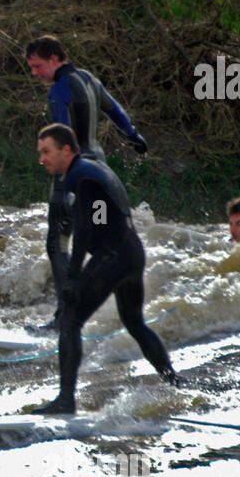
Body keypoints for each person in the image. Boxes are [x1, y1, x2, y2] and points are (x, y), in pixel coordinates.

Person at [30, 124, 180, 414]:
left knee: (71, 320)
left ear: (66, 150)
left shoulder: (81, 177)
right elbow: (98, 216)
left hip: (113, 256)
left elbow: (88, 225)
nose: (42, 159)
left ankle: (65, 400)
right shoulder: (91, 169)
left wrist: (73, 274)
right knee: (134, 322)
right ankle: (172, 379)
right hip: (132, 253)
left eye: (46, 152)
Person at [27, 35, 149, 328]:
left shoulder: (59, 90)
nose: (35, 73)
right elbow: (116, 111)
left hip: (74, 175)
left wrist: (60, 181)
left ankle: (63, 318)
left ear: (54, 58)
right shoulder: (90, 80)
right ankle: (124, 310)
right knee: (101, 240)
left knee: (58, 242)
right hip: (102, 173)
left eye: (37, 66)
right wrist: (134, 137)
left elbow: (61, 140)